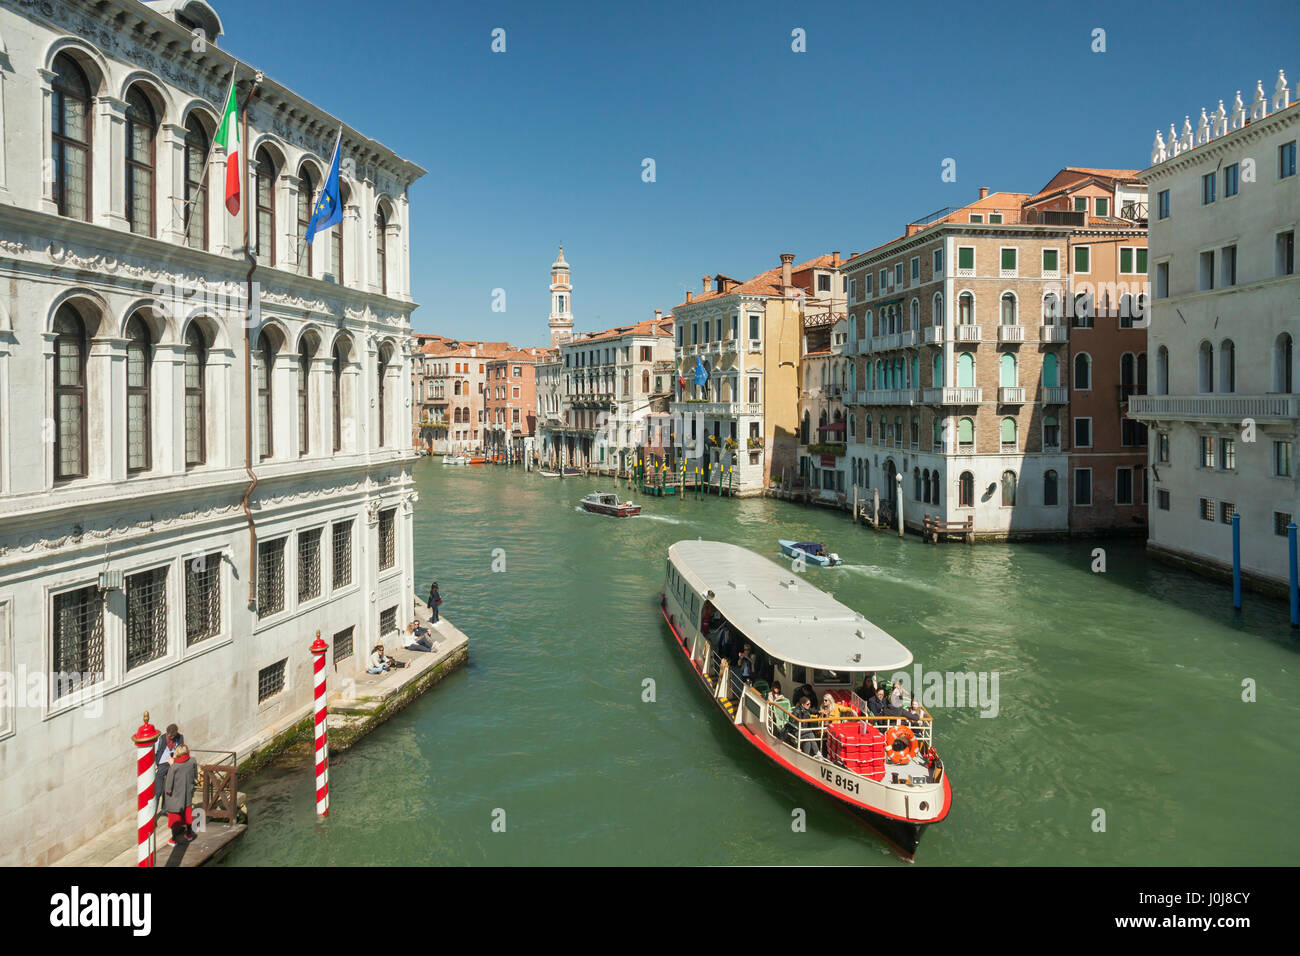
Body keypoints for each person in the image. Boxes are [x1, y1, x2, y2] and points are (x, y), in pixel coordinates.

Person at [163, 744, 198, 846]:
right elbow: (195, 774)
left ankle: (174, 839)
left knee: (175, 819)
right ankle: (189, 834)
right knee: (187, 816)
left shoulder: (174, 767)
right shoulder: (192, 761)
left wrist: (171, 764)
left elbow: (169, 785)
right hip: (187, 794)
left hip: (175, 797)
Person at [153, 724, 184, 815]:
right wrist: (155, 764)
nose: (171, 738)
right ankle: (153, 814)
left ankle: (165, 809)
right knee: (158, 791)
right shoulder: (161, 739)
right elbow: (154, 752)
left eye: (172, 736)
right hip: (161, 765)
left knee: (168, 788)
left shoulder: (179, 738)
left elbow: (181, 750)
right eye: (169, 736)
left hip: (172, 764)